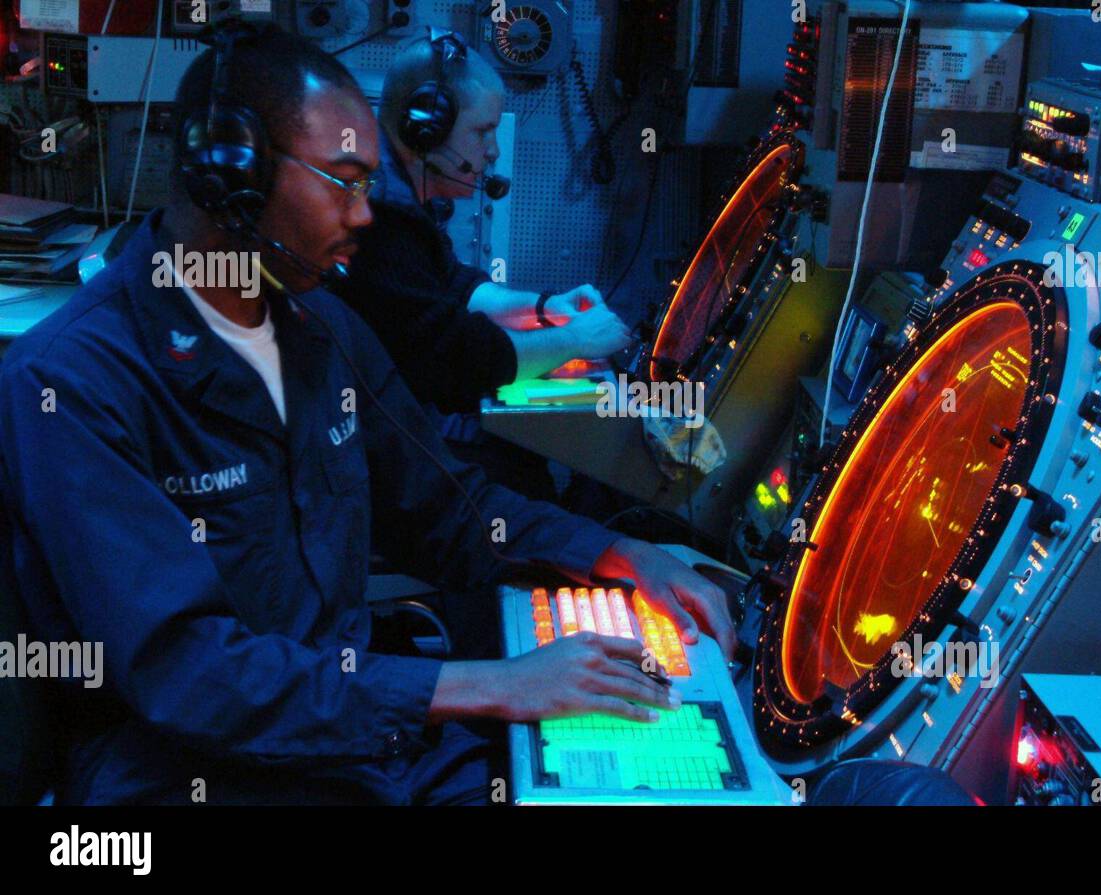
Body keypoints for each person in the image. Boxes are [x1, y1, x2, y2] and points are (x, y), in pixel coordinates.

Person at [0, 23, 732, 806]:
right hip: (190, 774)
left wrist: (620, 554)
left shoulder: (320, 329)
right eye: (344, 181)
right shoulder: (72, 381)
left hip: (360, 744)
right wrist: (491, 683)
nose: (364, 215)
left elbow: (455, 509)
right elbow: (192, 674)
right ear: (230, 175)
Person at [336, 31, 631, 500]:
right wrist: (576, 339)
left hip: (393, 416)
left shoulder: (404, 195)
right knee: (523, 481)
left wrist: (545, 307)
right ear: (425, 128)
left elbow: (454, 287)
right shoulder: (381, 219)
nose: (492, 150)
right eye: (482, 131)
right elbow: (457, 356)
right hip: (377, 446)